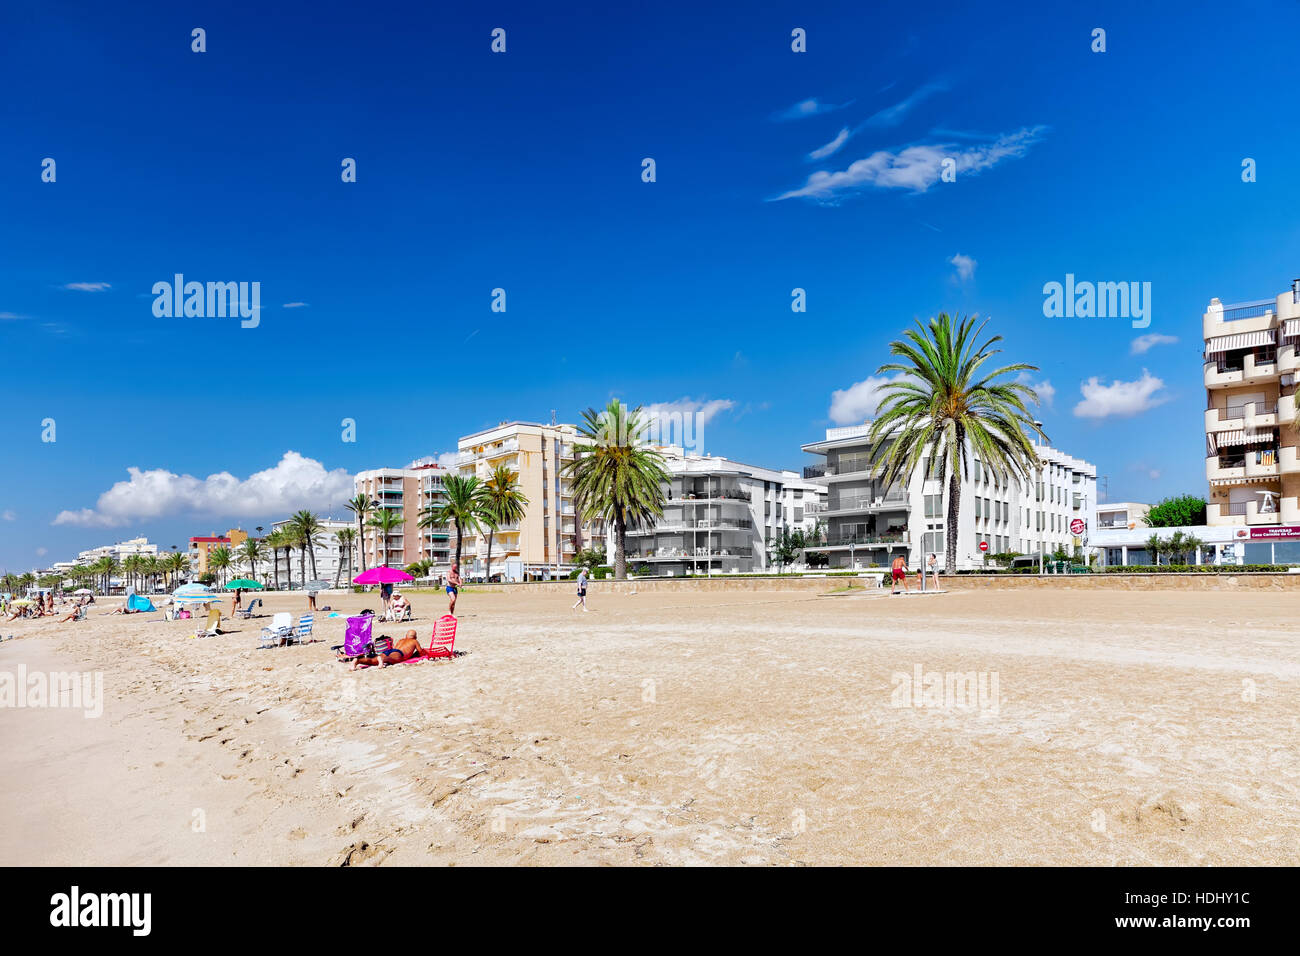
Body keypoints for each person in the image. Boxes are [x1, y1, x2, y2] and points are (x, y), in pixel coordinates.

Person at [337, 628, 424, 670]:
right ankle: (382, 659)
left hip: (390, 650)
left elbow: (394, 648)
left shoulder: (402, 640)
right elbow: (420, 652)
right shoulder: (414, 641)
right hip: (399, 653)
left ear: (406, 636)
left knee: (374, 660)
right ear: (415, 637)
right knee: (390, 659)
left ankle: (357, 661)